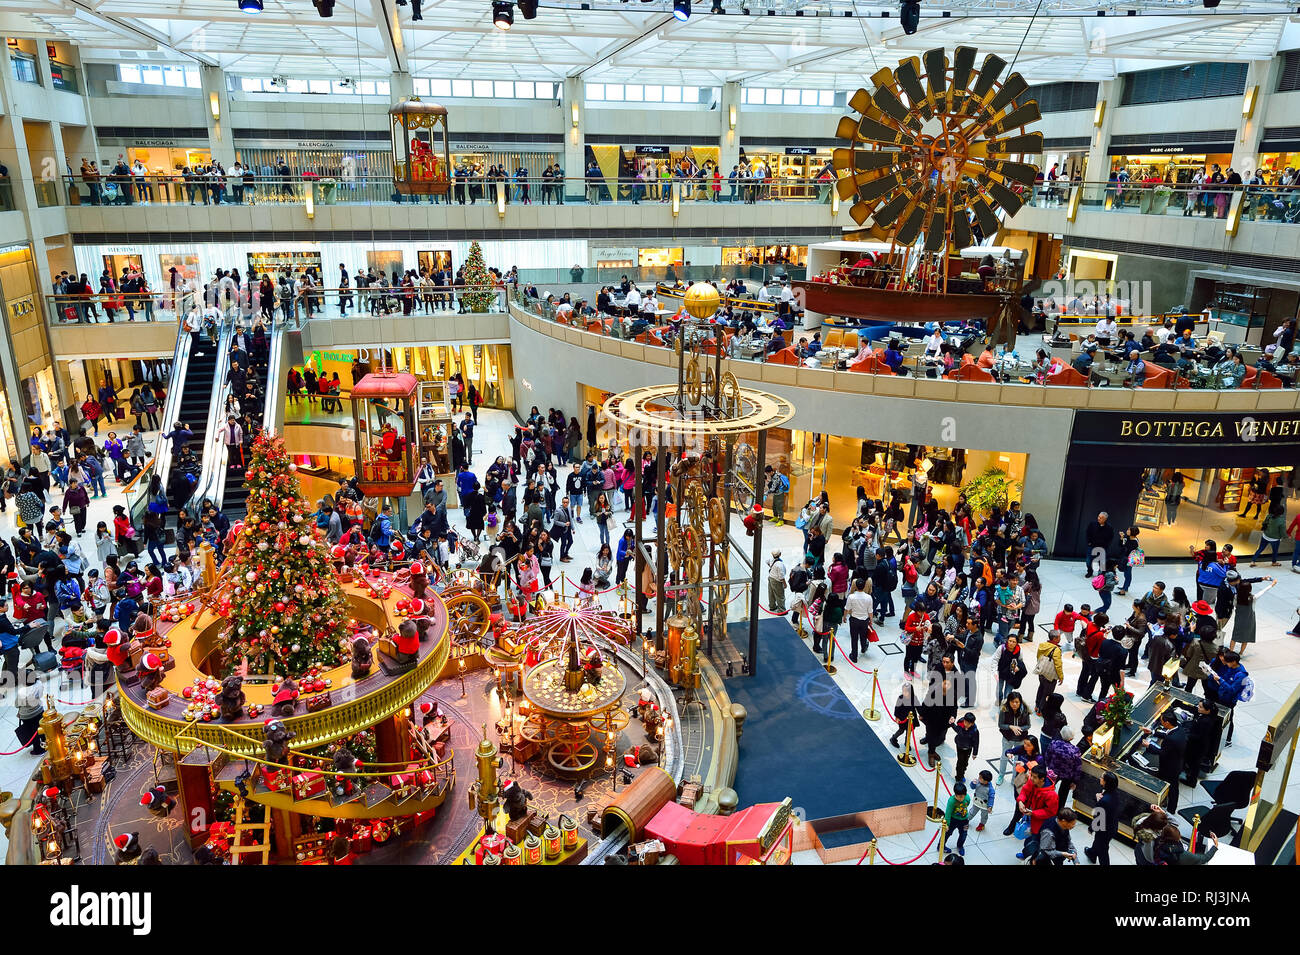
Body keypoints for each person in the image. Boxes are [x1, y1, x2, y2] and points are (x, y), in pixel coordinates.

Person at [1140, 708, 1189, 813]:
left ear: (1167, 723)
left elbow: (1162, 752)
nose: (1161, 723)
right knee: (1174, 787)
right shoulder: (1178, 728)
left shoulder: (1171, 740)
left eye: (1162, 721)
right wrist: (1153, 732)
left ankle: (1166, 807)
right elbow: (1167, 734)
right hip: (1177, 763)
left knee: (1170, 787)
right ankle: (1171, 808)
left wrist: (1148, 746)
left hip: (1169, 767)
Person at [942, 781, 971, 858]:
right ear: (955, 794)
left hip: (964, 820)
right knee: (947, 833)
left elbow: (967, 804)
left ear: (965, 795)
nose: (960, 798)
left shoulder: (967, 798)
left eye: (962, 797)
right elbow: (948, 813)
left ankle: (960, 846)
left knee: (963, 834)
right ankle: (941, 846)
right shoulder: (951, 801)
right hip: (953, 820)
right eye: (958, 796)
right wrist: (947, 824)